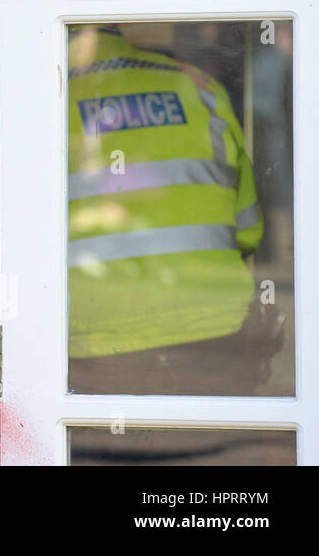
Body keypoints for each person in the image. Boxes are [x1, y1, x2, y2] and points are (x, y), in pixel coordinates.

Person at [66, 22, 271, 395]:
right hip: (217, 328)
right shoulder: (199, 88)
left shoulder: (31, 96)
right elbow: (247, 230)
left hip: (94, 345)